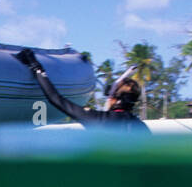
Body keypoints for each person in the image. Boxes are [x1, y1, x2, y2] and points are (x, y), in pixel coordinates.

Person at [14, 48, 147, 130]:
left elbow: (55, 99)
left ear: (115, 98)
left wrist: (36, 66)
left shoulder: (100, 120)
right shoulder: (141, 128)